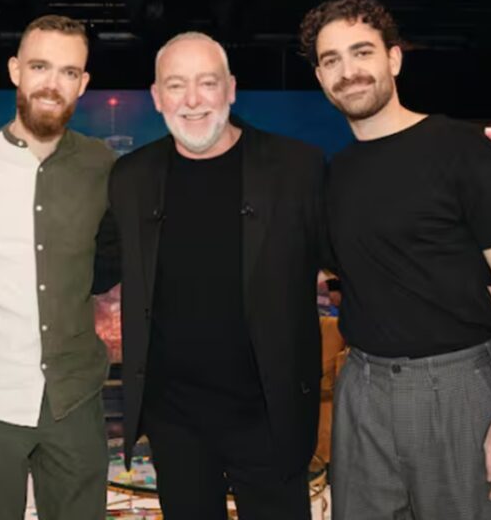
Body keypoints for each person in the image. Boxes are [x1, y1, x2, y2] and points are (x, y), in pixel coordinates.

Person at [299, 0, 491, 520]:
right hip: (361, 390)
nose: (348, 71)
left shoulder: (462, 149)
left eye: (362, 52)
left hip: (456, 390)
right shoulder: (333, 176)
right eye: (331, 60)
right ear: (320, 77)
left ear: (394, 59)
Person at [99, 31, 326, 520]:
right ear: (157, 96)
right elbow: (96, 268)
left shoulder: (297, 169)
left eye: (207, 82)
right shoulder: (132, 177)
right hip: (175, 421)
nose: (192, 100)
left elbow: (352, 257)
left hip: (270, 416)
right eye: (176, 85)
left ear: (231, 88)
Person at [0, 15, 114, 520]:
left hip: (74, 398)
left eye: (68, 72)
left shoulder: (103, 166)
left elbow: (112, 261)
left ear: (83, 83)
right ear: (15, 70)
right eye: (40, 67)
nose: (52, 83)